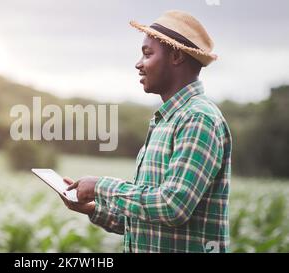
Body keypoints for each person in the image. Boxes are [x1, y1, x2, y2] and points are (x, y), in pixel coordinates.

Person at [60, 10, 232, 253]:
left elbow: (172, 206)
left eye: (147, 54)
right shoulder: (165, 121)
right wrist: (92, 208)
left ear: (175, 56)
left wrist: (100, 186)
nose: (138, 64)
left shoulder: (198, 118)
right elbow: (146, 220)